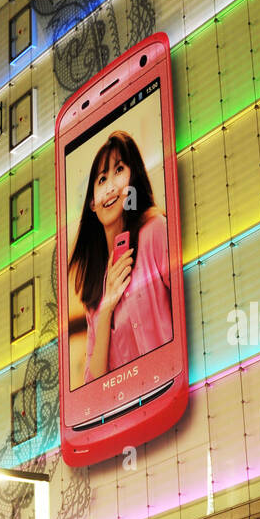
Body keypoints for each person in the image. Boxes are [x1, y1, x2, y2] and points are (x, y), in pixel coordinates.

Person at [70, 131, 173, 383]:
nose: (111, 187)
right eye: (102, 179)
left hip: (171, 390)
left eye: (119, 170)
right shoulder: (96, 286)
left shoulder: (156, 231)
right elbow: (93, 385)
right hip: (126, 417)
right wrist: (106, 309)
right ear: (92, 203)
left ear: (133, 180)